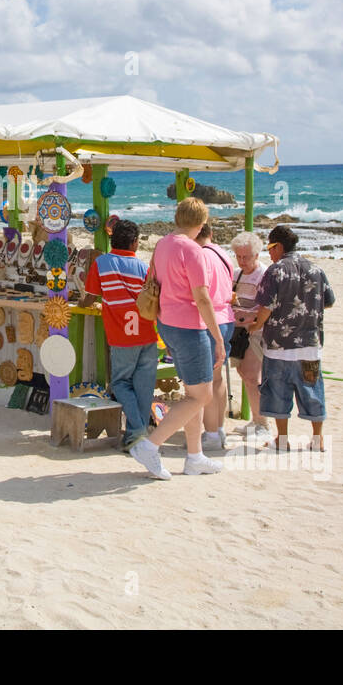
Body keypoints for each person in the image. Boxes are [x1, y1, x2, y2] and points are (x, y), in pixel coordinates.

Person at [128, 196, 225, 480]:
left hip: (166, 323)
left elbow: (156, 280)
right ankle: (149, 445)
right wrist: (218, 338)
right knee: (202, 395)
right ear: (202, 222)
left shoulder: (162, 244)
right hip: (189, 329)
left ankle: (195, 456)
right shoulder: (193, 250)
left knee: (191, 394)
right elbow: (202, 298)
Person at [247, 225, 335, 452]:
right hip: (310, 346)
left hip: (279, 346)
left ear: (279, 246)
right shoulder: (316, 268)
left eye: (270, 247)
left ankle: (282, 439)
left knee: (278, 393)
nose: (270, 253)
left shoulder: (275, 271)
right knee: (313, 391)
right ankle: (318, 439)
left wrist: (256, 323)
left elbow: (266, 306)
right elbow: (329, 300)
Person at [80, 219, 157, 449]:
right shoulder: (144, 268)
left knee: (121, 383)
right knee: (144, 387)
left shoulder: (102, 263)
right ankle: (136, 436)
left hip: (122, 337)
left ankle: (138, 431)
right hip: (146, 334)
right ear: (135, 243)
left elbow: (90, 297)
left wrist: (81, 302)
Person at [196, 221, 235, 453]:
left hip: (210, 320)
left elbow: (201, 294)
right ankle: (218, 429)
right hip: (227, 318)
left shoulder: (200, 256)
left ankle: (210, 433)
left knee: (205, 380)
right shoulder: (223, 254)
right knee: (217, 377)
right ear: (211, 233)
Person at [230, 231, 269, 442]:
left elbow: (267, 306)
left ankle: (262, 423)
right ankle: (256, 419)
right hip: (239, 332)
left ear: (256, 255)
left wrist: (249, 316)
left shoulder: (264, 274)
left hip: (257, 331)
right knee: (245, 374)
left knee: (253, 376)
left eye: (246, 257)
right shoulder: (237, 273)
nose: (242, 261)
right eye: (239, 256)